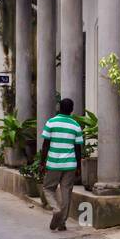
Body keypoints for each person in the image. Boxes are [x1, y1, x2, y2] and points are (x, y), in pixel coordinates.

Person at [38, 98, 83, 231]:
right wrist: (79, 166)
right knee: (66, 192)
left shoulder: (51, 122)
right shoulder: (75, 125)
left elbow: (46, 144)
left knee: (47, 188)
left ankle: (56, 208)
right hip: (70, 164)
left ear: (59, 108)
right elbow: (78, 148)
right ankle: (62, 223)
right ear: (72, 109)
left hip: (53, 163)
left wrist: (42, 162)